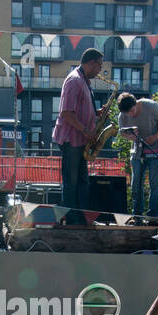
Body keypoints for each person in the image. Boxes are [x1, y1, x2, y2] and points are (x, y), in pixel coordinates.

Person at [52, 47, 104, 214]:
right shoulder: (75, 80)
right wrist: (87, 131)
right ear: (91, 63)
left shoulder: (84, 81)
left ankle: (81, 216)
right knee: (72, 182)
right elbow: (66, 112)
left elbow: (79, 109)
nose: (100, 71)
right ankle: (71, 219)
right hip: (72, 139)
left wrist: (96, 113)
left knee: (82, 182)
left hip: (80, 139)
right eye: (100, 66)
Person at [116, 92, 158, 219]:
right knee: (136, 184)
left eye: (132, 111)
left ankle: (153, 216)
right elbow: (122, 131)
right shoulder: (123, 115)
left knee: (155, 184)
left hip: (156, 150)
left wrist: (155, 136)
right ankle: (137, 215)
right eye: (128, 113)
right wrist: (129, 136)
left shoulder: (151, 106)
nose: (131, 115)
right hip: (137, 151)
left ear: (136, 103)